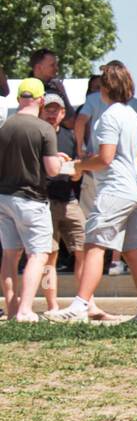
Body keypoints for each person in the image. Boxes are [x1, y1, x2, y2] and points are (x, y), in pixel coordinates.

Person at [49, 61, 137, 324]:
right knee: (133, 252)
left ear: (105, 87)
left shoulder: (109, 116)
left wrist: (78, 165)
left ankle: (80, 304)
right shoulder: (132, 114)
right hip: (133, 188)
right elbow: (133, 155)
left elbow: (105, 158)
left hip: (114, 189)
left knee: (94, 245)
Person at [0, 79, 62, 322]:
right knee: (38, 254)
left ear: (18, 99)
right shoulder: (43, 129)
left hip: (4, 198)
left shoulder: (4, 127)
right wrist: (59, 159)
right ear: (41, 100)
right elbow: (52, 169)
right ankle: (25, 309)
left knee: (9, 255)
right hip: (32, 199)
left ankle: (12, 308)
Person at [37, 97, 90, 318]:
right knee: (49, 257)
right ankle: (52, 306)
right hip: (43, 200)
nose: (51, 113)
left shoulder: (70, 136)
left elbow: (78, 173)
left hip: (69, 200)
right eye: (47, 109)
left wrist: (74, 168)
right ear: (41, 111)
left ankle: (85, 302)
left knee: (85, 250)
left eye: (56, 110)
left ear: (62, 114)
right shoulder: (36, 135)